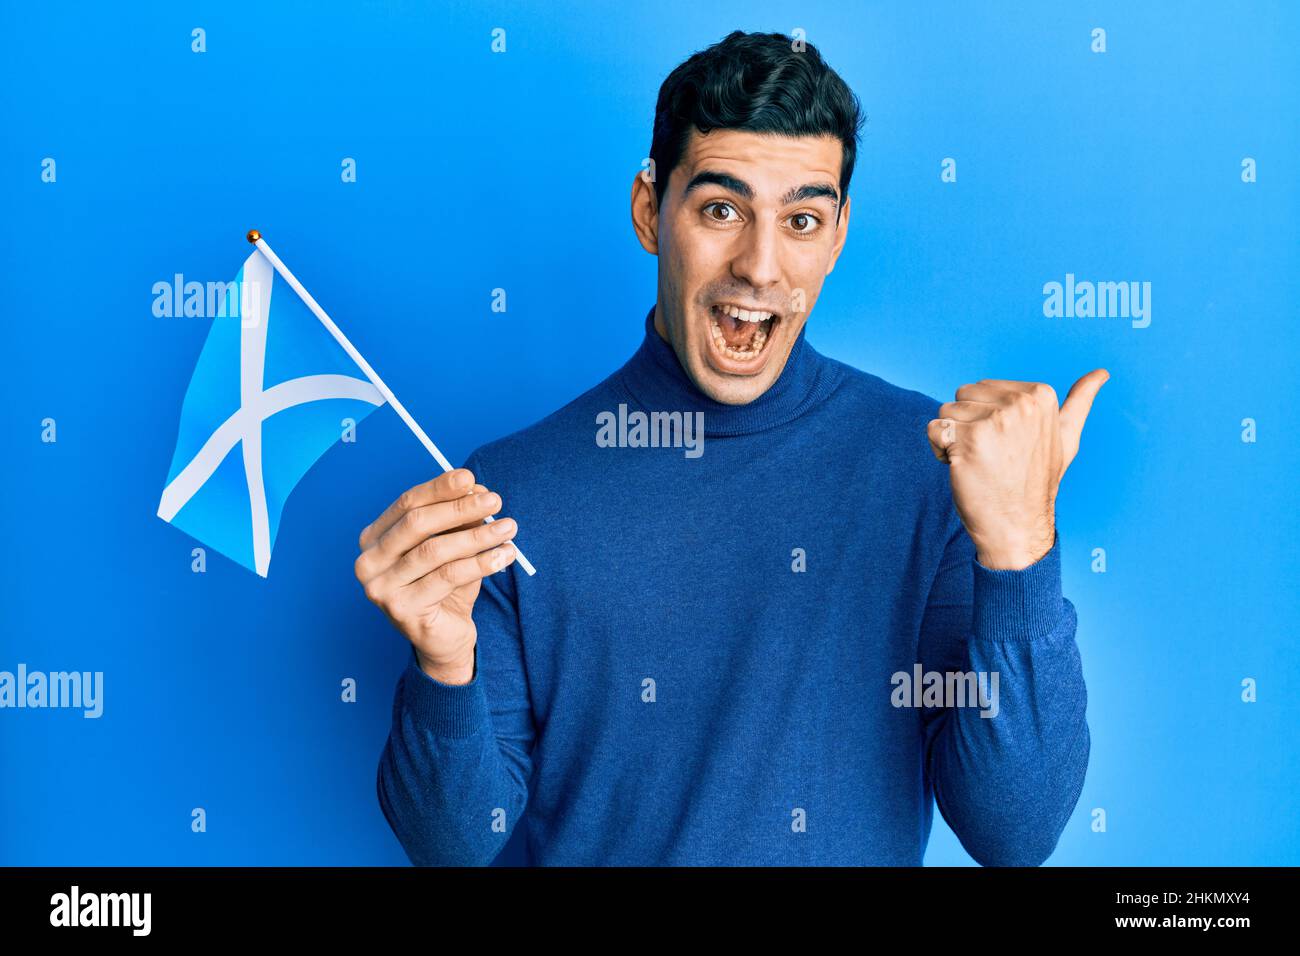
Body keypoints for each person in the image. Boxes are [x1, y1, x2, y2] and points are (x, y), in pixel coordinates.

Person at [355, 30, 1105, 866]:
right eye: (721, 209)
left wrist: (1020, 552)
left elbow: (1016, 831)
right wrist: (443, 666)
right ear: (651, 210)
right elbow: (454, 845)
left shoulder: (932, 469)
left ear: (838, 235)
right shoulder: (503, 497)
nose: (760, 264)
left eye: (802, 219)